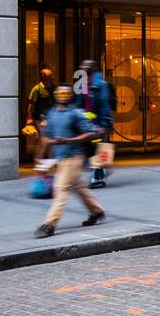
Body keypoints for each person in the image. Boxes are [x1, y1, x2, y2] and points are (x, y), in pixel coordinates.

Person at [34, 85, 105, 238]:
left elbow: (90, 133)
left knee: (61, 188)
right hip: (61, 158)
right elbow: (46, 137)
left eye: (66, 93)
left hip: (74, 156)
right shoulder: (51, 113)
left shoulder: (76, 113)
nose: (63, 95)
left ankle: (50, 224)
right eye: (60, 92)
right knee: (79, 187)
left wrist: (69, 140)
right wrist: (40, 156)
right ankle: (97, 211)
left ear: (71, 95)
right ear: (55, 94)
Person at [78, 59, 113, 188]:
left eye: (86, 65)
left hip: (98, 122)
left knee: (98, 149)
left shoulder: (100, 83)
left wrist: (103, 124)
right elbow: (79, 103)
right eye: (82, 65)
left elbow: (104, 104)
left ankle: (98, 178)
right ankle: (101, 170)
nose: (83, 67)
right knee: (87, 148)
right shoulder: (82, 82)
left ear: (92, 68)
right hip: (86, 122)